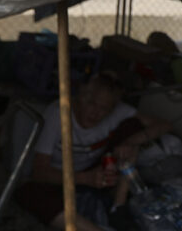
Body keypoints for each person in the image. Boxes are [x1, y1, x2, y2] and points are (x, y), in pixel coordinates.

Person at [17, 72, 170, 231]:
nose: (95, 112)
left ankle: (118, 207)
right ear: (80, 98)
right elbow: (39, 171)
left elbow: (164, 124)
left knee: (133, 127)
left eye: (104, 109)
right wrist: (84, 178)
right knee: (28, 194)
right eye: (91, 103)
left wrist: (129, 142)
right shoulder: (58, 114)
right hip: (60, 177)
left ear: (112, 108)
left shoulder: (119, 111)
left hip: (96, 172)